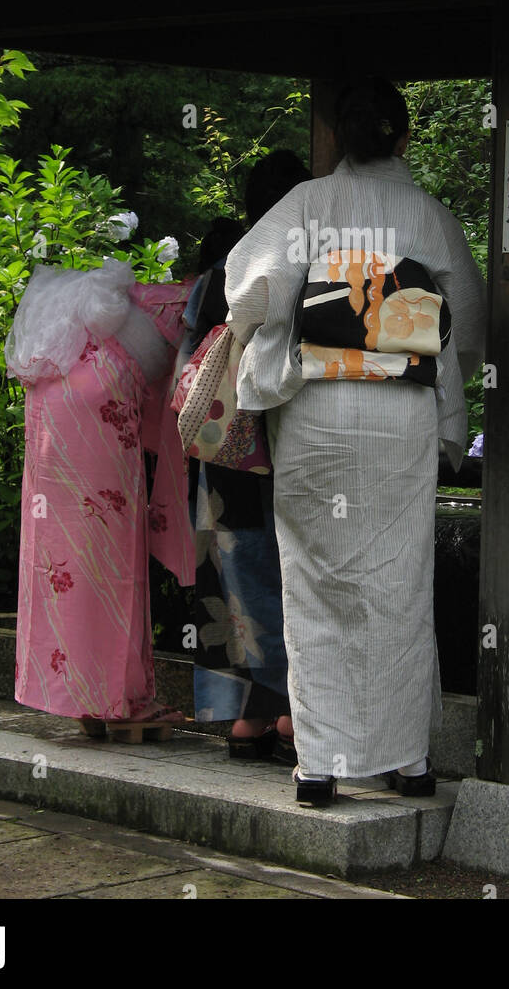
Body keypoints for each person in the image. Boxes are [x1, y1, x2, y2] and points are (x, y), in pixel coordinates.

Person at [224, 80, 485, 803]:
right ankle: (406, 762)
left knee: (314, 582)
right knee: (399, 581)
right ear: (403, 140)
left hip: (316, 408)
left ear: (337, 141)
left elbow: (246, 292)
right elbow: (464, 316)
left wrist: (287, 321)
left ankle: (320, 766)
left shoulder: (307, 205)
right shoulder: (429, 216)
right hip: (398, 412)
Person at [6, 257, 195, 727]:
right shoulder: (179, 298)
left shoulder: (69, 314)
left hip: (52, 415)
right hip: (102, 410)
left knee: (61, 558)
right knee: (113, 557)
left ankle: (81, 698)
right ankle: (120, 700)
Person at [187, 154, 311, 761]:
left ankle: (246, 714)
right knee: (293, 569)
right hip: (291, 439)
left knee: (230, 567)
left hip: (225, 446)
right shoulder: (310, 264)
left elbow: (192, 369)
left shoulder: (220, 274)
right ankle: (292, 707)